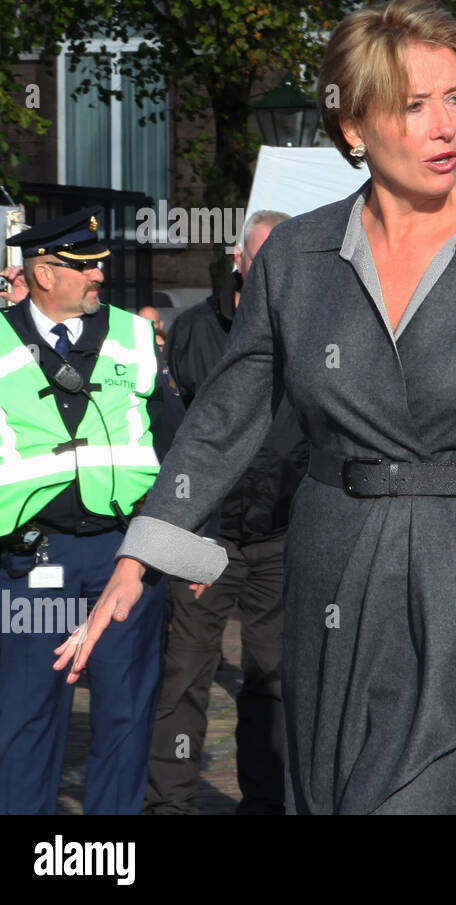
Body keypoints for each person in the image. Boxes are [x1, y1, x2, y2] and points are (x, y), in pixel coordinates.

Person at [53, 0, 456, 814]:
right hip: (332, 571)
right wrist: (140, 557)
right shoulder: (299, 258)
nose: (445, 125)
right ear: (353, 126)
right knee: (335, 796)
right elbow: (225, 416)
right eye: (414, 105)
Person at [0, 208, 182, 813]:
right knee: (27, 718)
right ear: (44, 273)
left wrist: (184, 549)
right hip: (29, 561)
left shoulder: (131, 335)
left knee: (126, 715)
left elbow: (178, 449)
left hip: (126, 555)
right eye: (85, 267)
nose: (100, 276)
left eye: (99, 265)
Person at [142, 209, 302, 815]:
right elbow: (171, 435)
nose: (274, 273)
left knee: (273, 682)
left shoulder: (312, 328)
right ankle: (171, 805)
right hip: (202, 538)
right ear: (240, 261)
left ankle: (264, 802)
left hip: (280, 537)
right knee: (185, 674)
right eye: (263, 260)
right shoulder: (192, 332)